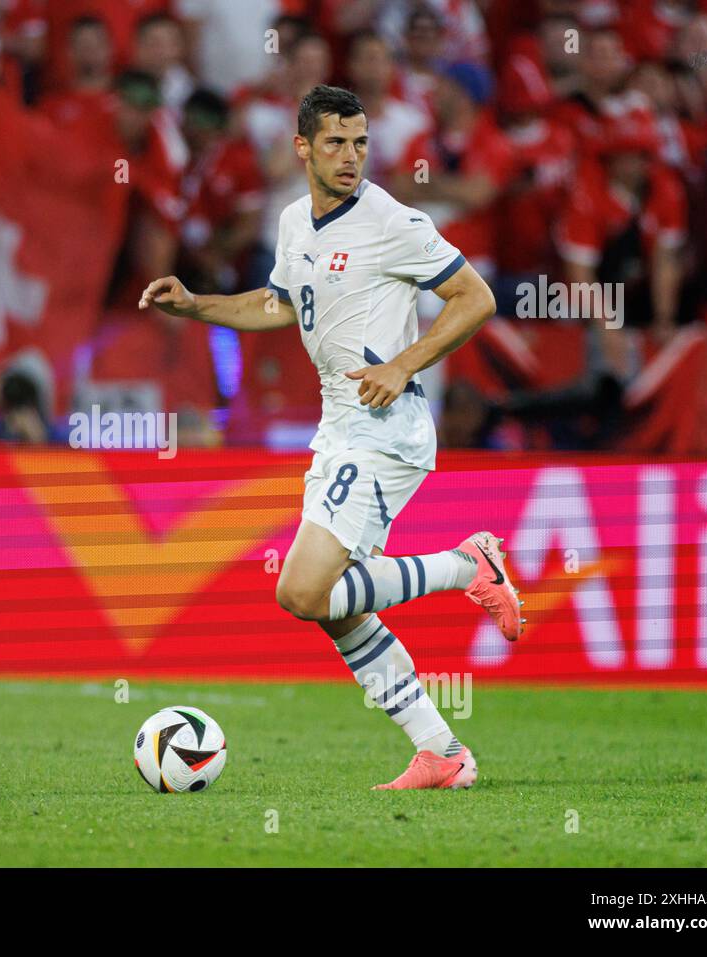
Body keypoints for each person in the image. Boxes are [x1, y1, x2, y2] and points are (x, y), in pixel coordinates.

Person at [139, 85, 522, 791]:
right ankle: (440, 751)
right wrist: (196, 306)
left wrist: (403, 362)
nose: (351, 157)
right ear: (303, 149)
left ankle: (467, 565)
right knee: (337, 605)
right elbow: (276, 304)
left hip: (385, 429)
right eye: (337, 143)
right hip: (337, 429)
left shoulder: (392, 220)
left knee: (302, 589)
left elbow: (477, 297)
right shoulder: (293, 222)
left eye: (360, 143)